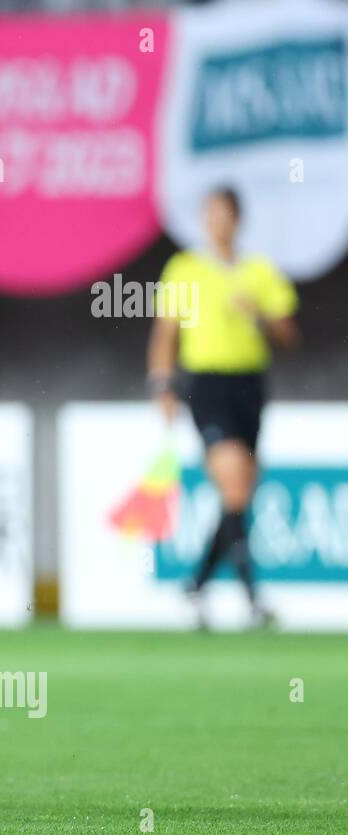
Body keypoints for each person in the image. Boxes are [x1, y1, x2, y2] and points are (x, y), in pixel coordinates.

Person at [148, 185, 299, 629]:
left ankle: (196, 583)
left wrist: (260, 316)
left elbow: (289, 334)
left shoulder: (258, 271)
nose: (215, 221)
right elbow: (166, 332)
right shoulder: (186, 269)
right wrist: (161, 383)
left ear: (237, 218)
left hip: (249, 385)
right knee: (233, 482)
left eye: (222, 212)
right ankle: (253, 596)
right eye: (207, 212)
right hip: (207, 383)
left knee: (240, 492)